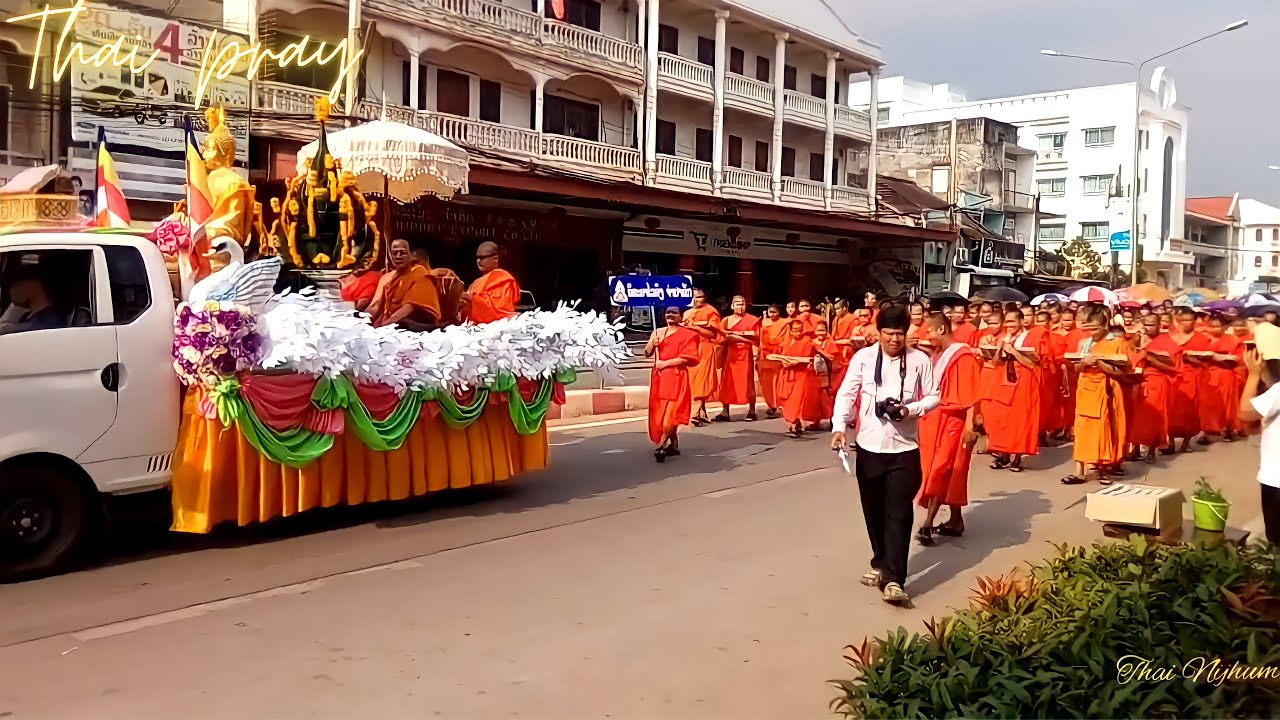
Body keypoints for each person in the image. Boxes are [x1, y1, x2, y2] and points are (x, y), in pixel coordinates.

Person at [831, 305, 939, 607]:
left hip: (905, 449)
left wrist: (910, 409)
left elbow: (934, 395)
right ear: (878, 333)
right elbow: (846, 393)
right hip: (869, 447)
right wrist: (839, 427)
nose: (894, 339)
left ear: (907, 334)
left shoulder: (919, 360)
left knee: (899, 514)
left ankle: (894, 580)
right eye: (889, 333)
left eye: (900, 334)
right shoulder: (863, 358)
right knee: (874, 511)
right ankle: (880, 561)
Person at [916, 313, 980, 546]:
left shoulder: (962, 356)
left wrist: (970, 425)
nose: (927, 336)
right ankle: (955, 521)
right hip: (936, 420)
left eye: (929, 332)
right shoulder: (940, 354)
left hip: (955, 422)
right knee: (951, 471)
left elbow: (972, 393)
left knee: (941, 469)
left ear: (941, 330)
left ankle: (927, 523)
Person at [1063, 305, 1135, 485]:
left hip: (1107, 389)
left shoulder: (1118, 343)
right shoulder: (1084, 343)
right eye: (1089, 329)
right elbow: (1077, 368)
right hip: (1086, 389)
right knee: (1082, 428)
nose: (1092, 333)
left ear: (1105, 325)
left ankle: (1102, 468)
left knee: (1103, 429)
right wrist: (1084, 363)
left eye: (1095, 328)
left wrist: (1100, 363)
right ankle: (1079, 471)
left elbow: (1122, 372)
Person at [985, 302, 1048, 472]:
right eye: (1007, 322)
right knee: (1003, 419)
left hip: (1023, 383)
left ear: (1021, 321)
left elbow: (1033, 364)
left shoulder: (1029, 338)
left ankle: (1017, 457)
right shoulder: (1004, 338)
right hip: (1004, 382)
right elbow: (996, 362)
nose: (1009, 325)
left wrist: (1014, 352)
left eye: (1013, 322)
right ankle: (1004, 454)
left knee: (1020, 420)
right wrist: (999, 349)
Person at [1238, 324, 1280, 544]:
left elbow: (1245, 413)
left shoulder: (1278, 392)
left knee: (1276, 540)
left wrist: (1252, 376)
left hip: (1276, 480)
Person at [645, 307, 700, 463]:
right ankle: (674, 445)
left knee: (671, 413)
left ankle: (662, 445)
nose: (670, 314)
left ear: (680, 316)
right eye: (668, 312)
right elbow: (647, 352)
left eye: (674, 312)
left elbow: (687, 357)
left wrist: (665, 364)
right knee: (660, 411)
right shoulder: (658, 332)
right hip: (659, 378)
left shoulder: (688, 335)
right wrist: (653, 343)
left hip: (676, 376)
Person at [1132, 313, 1177, 462]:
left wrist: (1150, 357)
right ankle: (1135, 449)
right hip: (1137, 381)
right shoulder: (1138, 338)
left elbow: (1172, 364)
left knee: (1154, 417)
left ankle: (1151, 450)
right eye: (1146, 324)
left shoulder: (1166, 341)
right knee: (1135, 417)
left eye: (1152, 325)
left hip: (1156, 382)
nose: (1148, 328)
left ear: (1159, 326)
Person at [1168, 307, 1211, 453]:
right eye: (1183, 320)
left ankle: (1186, 442)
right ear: (1179, 321)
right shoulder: (1171, 337)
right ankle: (1170, 441)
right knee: (1171, 409)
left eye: (1189, 320)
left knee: (1190, 410)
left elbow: (1206, 361)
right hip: (1173, 377)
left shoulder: (1202, 339)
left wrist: (1188, 358)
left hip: (1192, 377)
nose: (1186, 323)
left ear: (1194, 321)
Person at [1201, 314, 1245, 442]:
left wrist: (1217, 358)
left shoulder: (1234, 340)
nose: (1213, 329)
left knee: (1227, 404)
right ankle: (1208, 431)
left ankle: (1229, 429)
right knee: (1207, 404)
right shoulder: (1203, 339)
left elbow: (1237, 359)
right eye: (1211, 327)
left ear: (1224, 327)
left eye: (1217, 326)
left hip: (1226, 375)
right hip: (1207, 374)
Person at [715, 296, 760, 422]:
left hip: (745, 354)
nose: (740, 307)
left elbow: (756, 337)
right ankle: (725, 411)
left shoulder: (752, 320)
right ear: (732, 306)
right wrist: (735, 337)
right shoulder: (726, 320)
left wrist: (736, 336)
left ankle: (752, 411)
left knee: (748, 382)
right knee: (727, 382)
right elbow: (721, 337)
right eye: (738, 304)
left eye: (742, 304)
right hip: (730, 355)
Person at [683, 289, 724, 425]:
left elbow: (713, 334)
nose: (698, 300)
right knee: (694, 382)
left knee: (703, 380)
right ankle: (702, 413)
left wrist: (695, 327)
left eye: (700, 297)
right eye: (695, 297)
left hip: (705, 348)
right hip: (690, 350)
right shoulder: (687, 313)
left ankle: (695, 412)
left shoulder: (710, 311)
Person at [775, 319, 818, 437]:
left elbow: (808, 358)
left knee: (797, 399)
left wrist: (794, 362)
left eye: (800, 331)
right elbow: (781, 355)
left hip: (800, 374)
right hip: (787, 374)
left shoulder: (807, 342)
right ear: (790, 331)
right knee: (786, 399)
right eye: (794, 330)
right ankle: (796, 422)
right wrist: (783, 361)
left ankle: (794, 424)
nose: (797, 333)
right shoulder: (787, 341)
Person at [460, 241, 521, 324]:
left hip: (496, 326)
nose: (478, 261)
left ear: (495, 258)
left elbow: (500, 312)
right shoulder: (476, 282)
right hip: (472, 325)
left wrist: (470, 298)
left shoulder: (504, 280)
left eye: (482, 258)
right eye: (477, 258)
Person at [812, 319, 842, 426]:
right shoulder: (811, 342)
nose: (821, 333)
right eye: (818, 330)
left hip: (828, 375)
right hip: (813, 375)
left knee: (828, 399)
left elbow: (833, 357)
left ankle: (832, 420)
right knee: (815, 399)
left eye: (823, 330)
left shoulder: (830, 343)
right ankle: (815, 421)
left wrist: (820, 351)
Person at [759, 305, 786, 418]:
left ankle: (780, 406)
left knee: (778, 381)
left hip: (779, 354)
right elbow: (760, 338)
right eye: (770, 312)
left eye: (774, 312)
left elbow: (786, 339)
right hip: (765, 354)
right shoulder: (764, 322)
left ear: (779, 312)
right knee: (767, 382)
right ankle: (771, 405)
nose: (772, 314)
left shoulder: (785, 323)